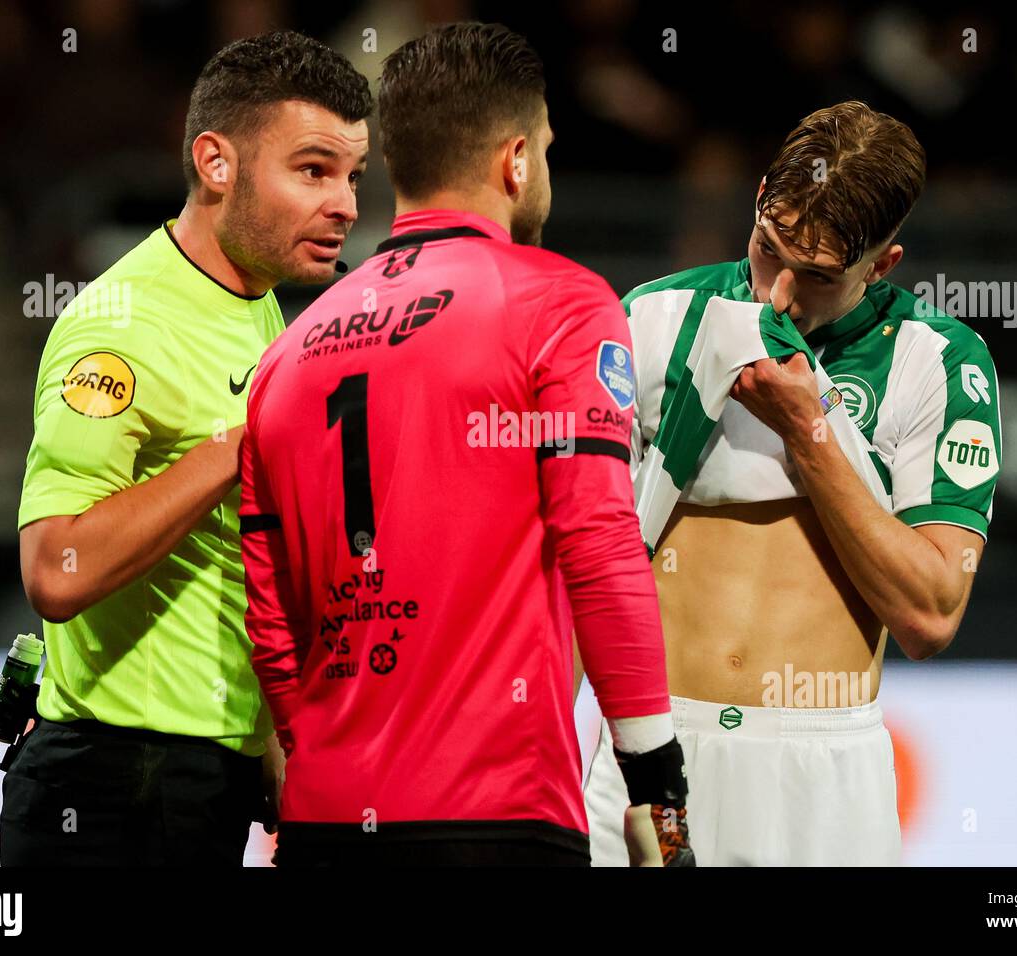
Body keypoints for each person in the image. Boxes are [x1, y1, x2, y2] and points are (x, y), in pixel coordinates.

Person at [240, 22, 692, 867]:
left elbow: (268, 612)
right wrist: (656, 782)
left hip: (323, 822)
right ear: (516, 159)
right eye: (547, 150)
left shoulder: (286, 355)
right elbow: (598, 540)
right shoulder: (561, 305)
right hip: (495, 815)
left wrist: (311, 764)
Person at [583, 101, 1002, 866]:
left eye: (815, 276)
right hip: (642, 743)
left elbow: (930, 615)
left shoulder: (939, 360)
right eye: (768, 249)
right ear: (756, 205)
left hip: (818, 772)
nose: (776, 292)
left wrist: (809, 434)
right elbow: (577, 554)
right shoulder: (652, 317)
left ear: (883, 266)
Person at [5, 31, 371, 865]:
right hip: (108, 784)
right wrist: (239, 445)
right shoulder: (120, 326)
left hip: (209, 776)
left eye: (352, 176)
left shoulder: (267, 308)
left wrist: (278, 753)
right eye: (313, 170)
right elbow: (54, 572)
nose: (346, 203)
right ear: (216, 163)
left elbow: (240, 566)